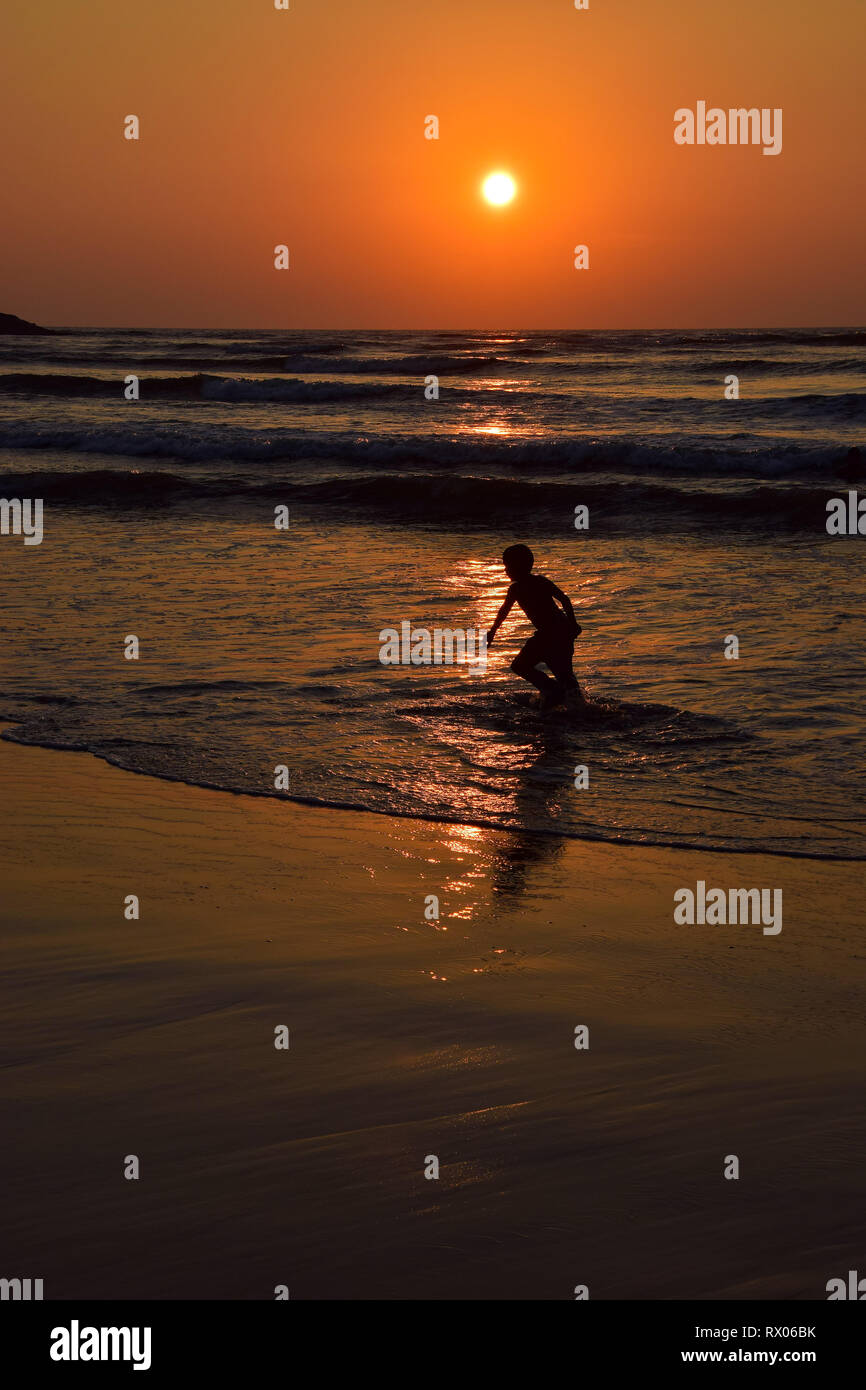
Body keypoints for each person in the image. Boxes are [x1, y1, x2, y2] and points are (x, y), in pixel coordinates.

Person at [486, 544, 583, 709]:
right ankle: (576, 705)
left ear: (519, 566)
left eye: (507, 566)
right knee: (565, 674)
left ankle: (554, 691)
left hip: (550, 634)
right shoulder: (535, 582)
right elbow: (564, 599)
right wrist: (572, 624)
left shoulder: (519, 587)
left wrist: (493, 632)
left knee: (520, 666)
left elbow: (504, 611)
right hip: (561, 632)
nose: (505, 570)